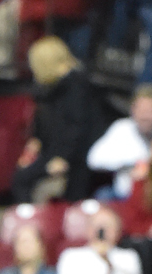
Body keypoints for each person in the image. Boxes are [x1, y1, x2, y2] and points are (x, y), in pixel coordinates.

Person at [11, 37, 107, 204]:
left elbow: (76, 126)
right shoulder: (54, 86)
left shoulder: (76, 86)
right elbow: (47, 120)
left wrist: (62, 157)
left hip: (74, 156)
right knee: (22, 177)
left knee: (23, 180)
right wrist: (37, 140)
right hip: (55, 150)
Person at [85, 86, 152, 198]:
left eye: (151, 111)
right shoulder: (122, 129)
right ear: (133, 110)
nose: (145, 117)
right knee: (102, 196)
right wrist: (134, 162)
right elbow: (94, 159)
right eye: (142, 111)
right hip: (124, 195)